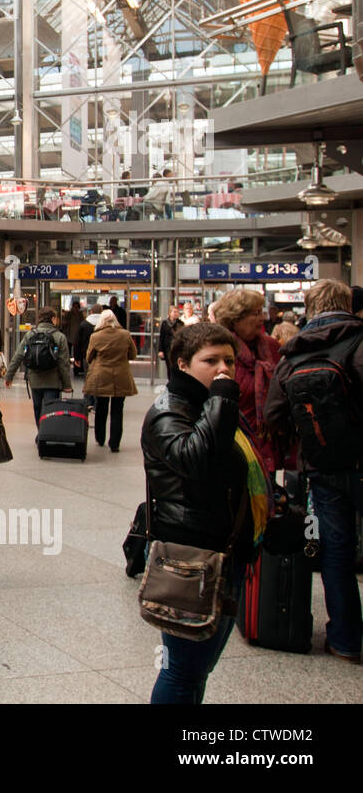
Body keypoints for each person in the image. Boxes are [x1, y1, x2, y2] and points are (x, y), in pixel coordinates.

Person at [144, 322, 263, 704]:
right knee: (182, 671)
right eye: (209, 360)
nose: (222, 368)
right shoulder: (169, 413)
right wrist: (223, 399)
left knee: (197, 671)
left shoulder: (209, 404)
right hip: (191, 559)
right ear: (182, 364)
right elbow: (196, 459)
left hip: (223, 552)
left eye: (228, 359)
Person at [263, 279, 363, 664]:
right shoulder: (359, 341)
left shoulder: (293, 354)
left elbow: (274, 415)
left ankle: (345, 639)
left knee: (335, 552)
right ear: (347, 304)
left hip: (320, 465)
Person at [211, 289, 283, 476]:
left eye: (262, 312)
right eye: (256, 313)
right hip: (232, 444)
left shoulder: (272, 347)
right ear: (236, 318)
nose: (262, 318)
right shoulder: (217, 349)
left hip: (266, 445)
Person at [4, 306, 74, 428]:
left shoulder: (30, 335)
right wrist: (67, 385)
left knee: (37, 409)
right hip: (53, 381)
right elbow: (64, 363)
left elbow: (18, 356)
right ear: (53, 319)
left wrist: (9, 376)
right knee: (50, 410)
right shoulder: (59, 337)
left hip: (35, 380)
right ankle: (46, 434)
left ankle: (40, 432)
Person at [83, 309, 138, 452]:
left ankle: (100, 438)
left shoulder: (96, 336)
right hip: (121, 375)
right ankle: (115, 443)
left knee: (101, 408)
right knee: (117, 410)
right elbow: (133, 354)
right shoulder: (125, 335)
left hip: (101, 375)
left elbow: (88, 357)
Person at [73, 303, 101, 377]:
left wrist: (77, 357)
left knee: (88, 377)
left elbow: (78, 342)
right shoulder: (105, 324)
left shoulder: (84, 324)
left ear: (91, 312)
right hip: (102, 355)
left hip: (87, 355)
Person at [158, 305, 181, 381]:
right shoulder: (165, 323)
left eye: (177, 312)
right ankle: (170, 381)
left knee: (176, 366)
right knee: (169, 367)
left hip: (176, 348)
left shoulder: (180, 323)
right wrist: (160, 350)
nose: (175, 313)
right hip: (167, 348)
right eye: (174, 312)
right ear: (170, 313)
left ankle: (175, 382)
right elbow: (161, 337)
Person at [62, 300, 85, 369]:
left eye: (77, 307)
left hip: (77, 336)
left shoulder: (81, 315)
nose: (75, 309)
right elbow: (64, 323)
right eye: (74, 307)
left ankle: (76, 366)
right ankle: (68, 363)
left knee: (77, 352)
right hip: (69, 335)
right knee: (68, 350)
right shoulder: (68, 314)